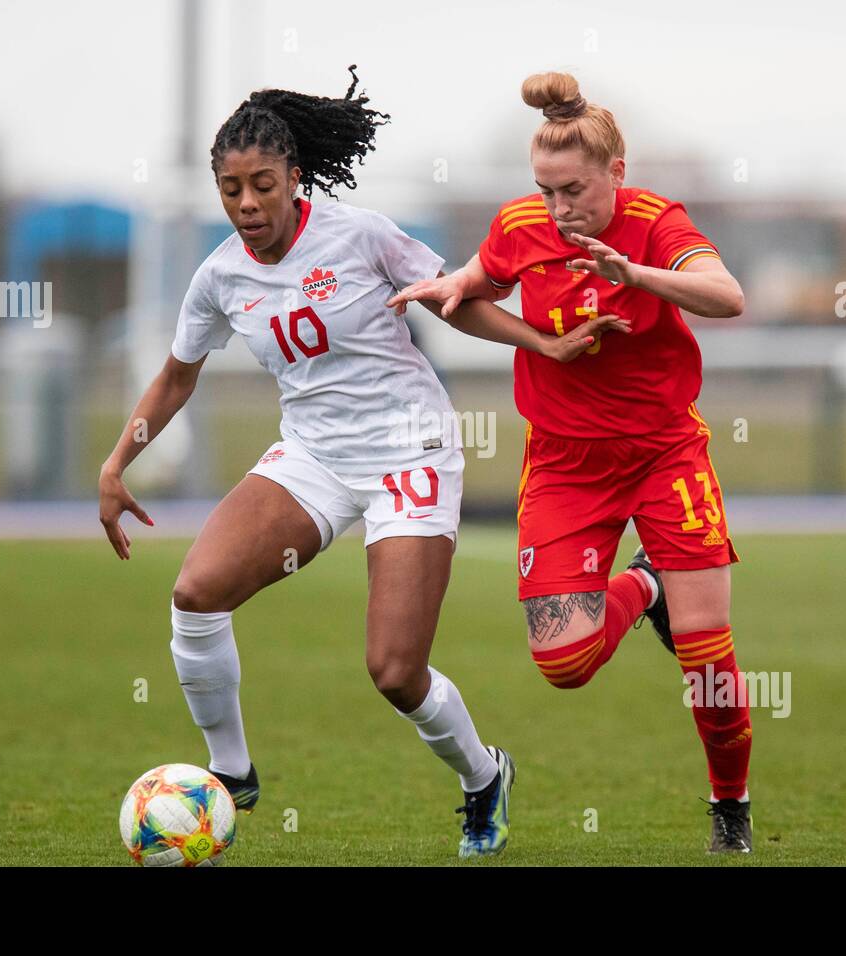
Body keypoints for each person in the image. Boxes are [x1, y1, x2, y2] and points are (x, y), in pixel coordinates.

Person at [98, 68, 611, 859]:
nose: (246, 206)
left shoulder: (361, 234)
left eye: (262, 185)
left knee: (395, 671)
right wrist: (116, 464)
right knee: (196, 594)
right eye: (230, 189)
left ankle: (483, 777)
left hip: (411, 450)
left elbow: (453, 297)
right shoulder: (219, 277)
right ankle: (231, 774)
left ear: (294, 176)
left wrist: (540, 341)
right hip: (313, 455)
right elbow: (177, 376)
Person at [389, 71, 755, 853]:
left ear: (616, 174)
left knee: (708, 657)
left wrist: (636, 275)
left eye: (576, 190)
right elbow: (474, 291)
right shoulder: (522, 225)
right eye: (547, 190)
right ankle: (645, 581)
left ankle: (731, 809)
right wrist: (490, 307)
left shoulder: (658, 223)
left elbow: (726, 297)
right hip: (564, 463)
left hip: (664, 451)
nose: (560, 208)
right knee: (565, 662)